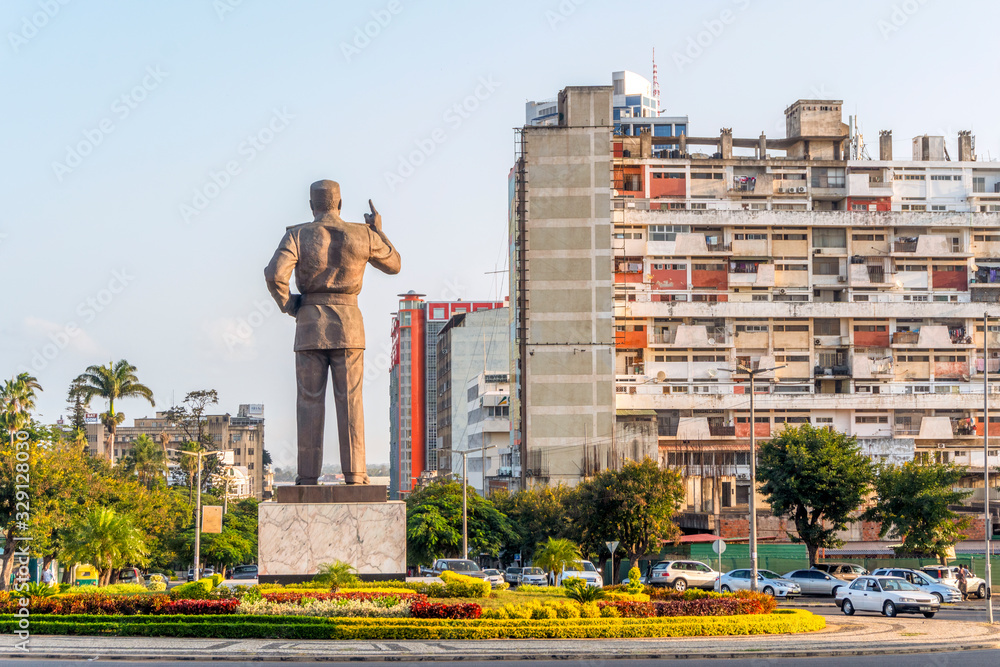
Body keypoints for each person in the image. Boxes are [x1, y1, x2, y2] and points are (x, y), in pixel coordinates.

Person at [265, 181, 401, 485]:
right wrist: (378, 230)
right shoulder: (362, 235)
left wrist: (291, 305)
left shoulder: (297, 235)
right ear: (339, 203)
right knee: (351, 400)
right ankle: (356, 475)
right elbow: (394, 264)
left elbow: (274, 274)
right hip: (349, 324)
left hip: (310, 322)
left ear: (312, 205)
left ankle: (307, 478)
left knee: (309, 401)